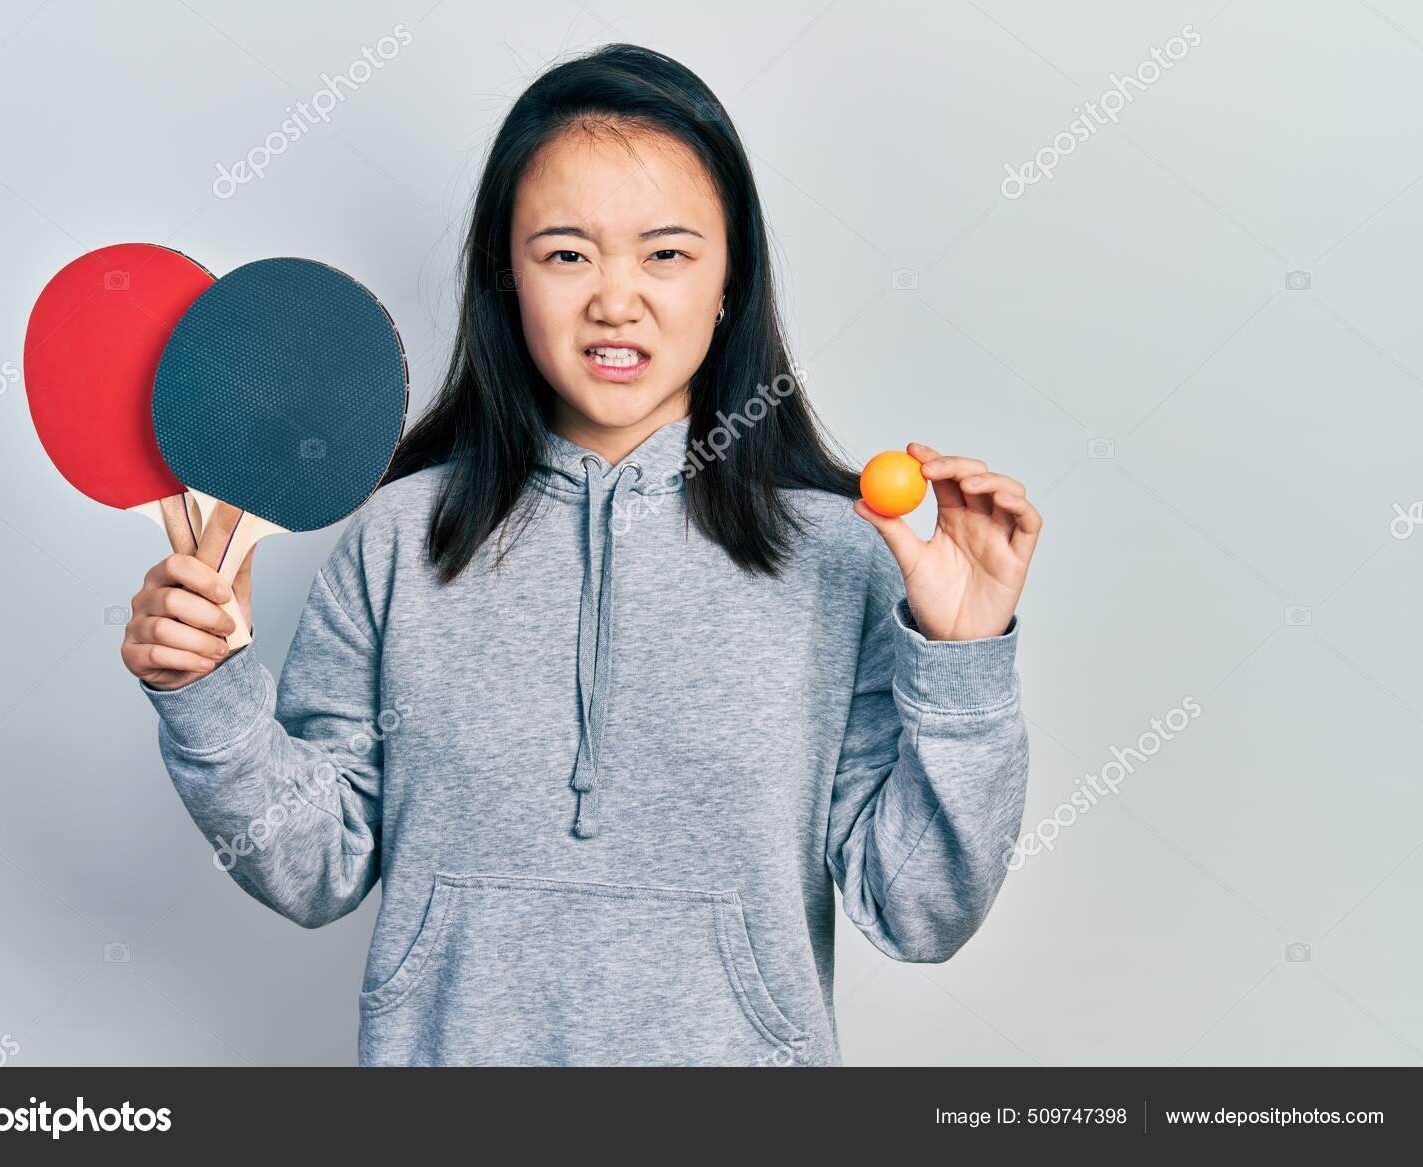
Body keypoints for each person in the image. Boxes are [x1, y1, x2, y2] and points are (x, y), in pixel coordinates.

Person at [121, 43, 1041, 1067]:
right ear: (504, 278)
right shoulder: (395, 538)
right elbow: (311, 866)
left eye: (666, 253)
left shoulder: (839, 558)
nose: (615, 299)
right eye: (566, 252)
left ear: (730, 277)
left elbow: (918, 911)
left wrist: (964, 669)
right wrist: (208, 694)